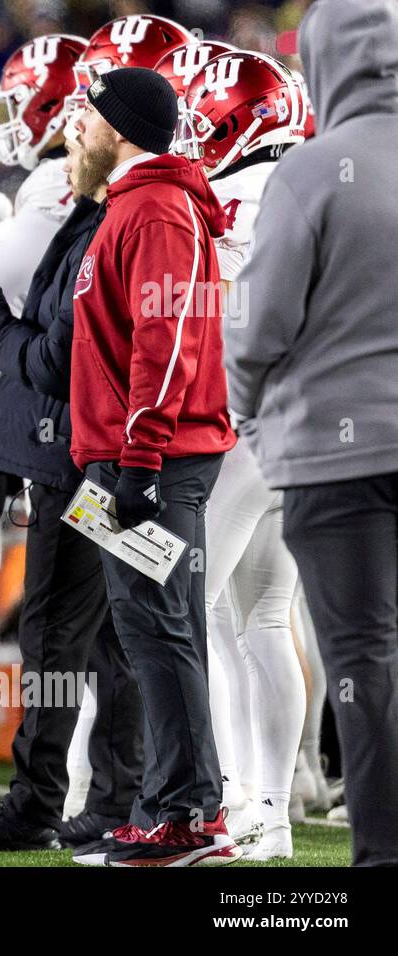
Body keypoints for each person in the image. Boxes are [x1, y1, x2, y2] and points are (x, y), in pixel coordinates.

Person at [225, 0, 398, 868]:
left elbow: (256, 327)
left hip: (341, 459)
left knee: (362, 659)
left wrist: (250, 409)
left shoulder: (311, 169)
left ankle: (381, 854)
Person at [0, 106, 144, 853]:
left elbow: (53, 358)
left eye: (83, 135)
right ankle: (123, 795)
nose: (66, 150)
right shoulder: (114, 209)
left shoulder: (116, 218)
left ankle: (62, 800)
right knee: (114, 638)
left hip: (87, 459)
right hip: (94, 456)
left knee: (70, 636)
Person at [64, 67, 237, 867]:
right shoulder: (140, 204)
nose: (81, 127)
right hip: (138, 452)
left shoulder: (157, 207)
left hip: (152, 456)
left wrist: (138, 459)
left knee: (159, 632)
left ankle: (187, 815)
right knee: (159, 632)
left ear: (121, 128)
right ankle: (176, 807)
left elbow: (167, 346)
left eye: (91, 116)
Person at [176, 49, 309, 859]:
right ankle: (271, 811)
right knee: (260, 618)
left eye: (207, 120)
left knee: (186, 617)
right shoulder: (309, 188)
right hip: (301, 431)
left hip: (235, 430)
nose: (195, 135)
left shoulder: (229, 201)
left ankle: (222, 798)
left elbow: (210, 327)